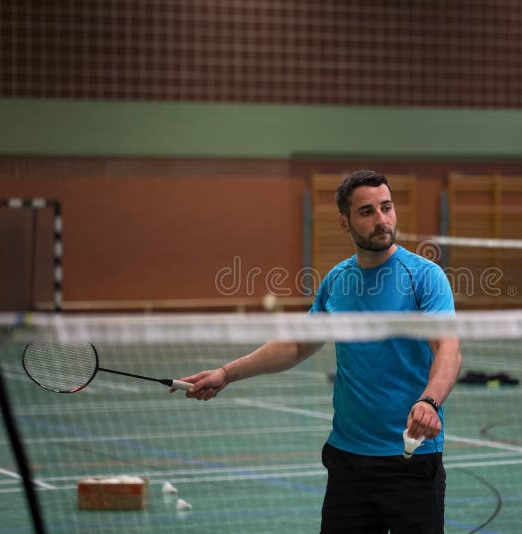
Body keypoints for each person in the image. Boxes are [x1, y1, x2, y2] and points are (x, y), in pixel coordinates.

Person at [176, 170, 461, 533]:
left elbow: (449, 349)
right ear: (345, 222)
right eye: (367, 211)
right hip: (348, 461)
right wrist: (226, 373)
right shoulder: (337, 282)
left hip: (411, 458)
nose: (381, 220)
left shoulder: (424, 276)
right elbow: (297, 344)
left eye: (386, 207)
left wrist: (430, 401)